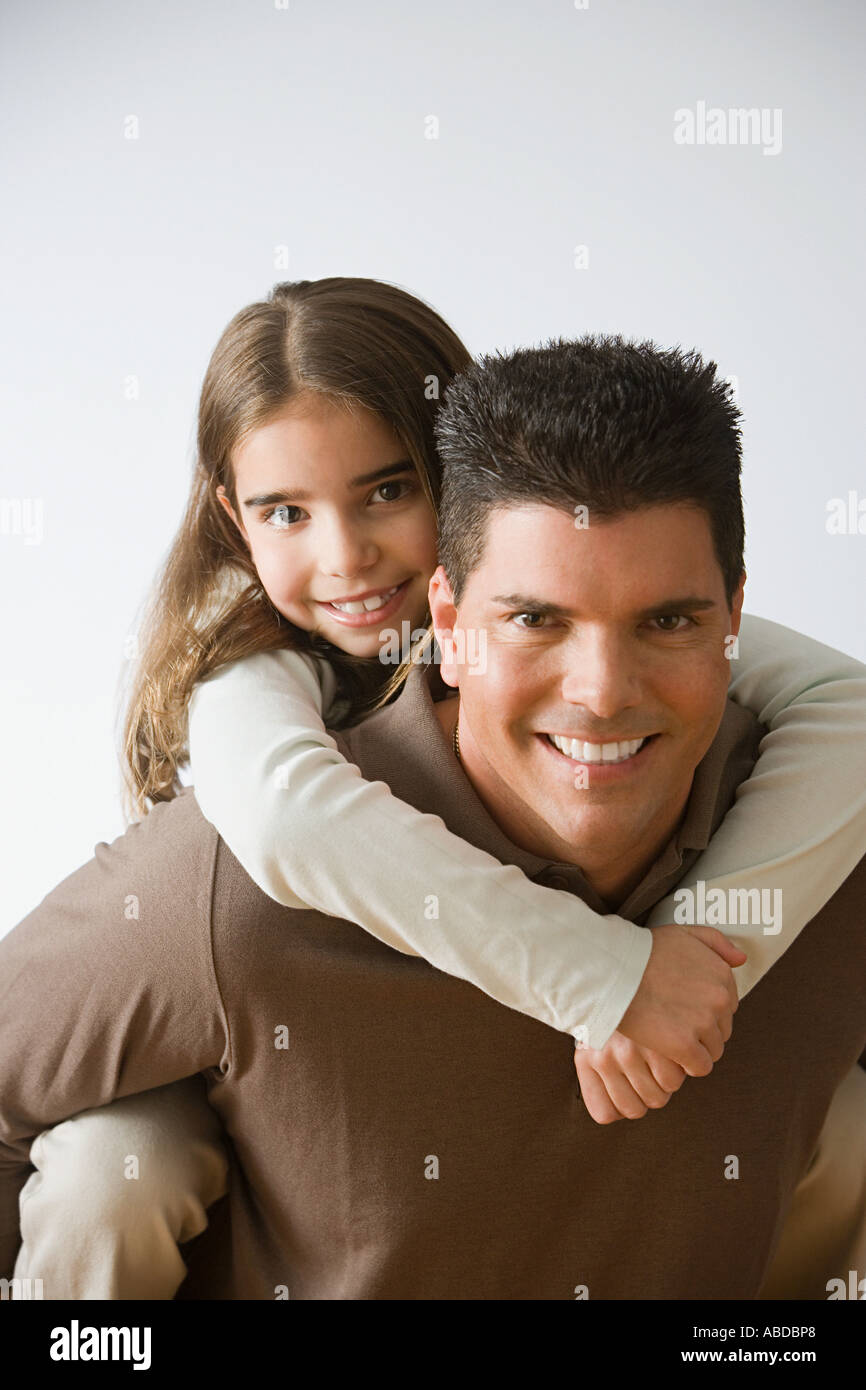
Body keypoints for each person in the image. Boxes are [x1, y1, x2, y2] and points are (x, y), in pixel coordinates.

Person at [2, 305, 865, 1298]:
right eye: (535, 618)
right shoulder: (233, 850)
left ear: (732, 618)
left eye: (666, 619)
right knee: (110, 1173)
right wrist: (604, 975)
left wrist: (708, 948)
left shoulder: (821, 827)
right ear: (449, 621)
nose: (599, 690)